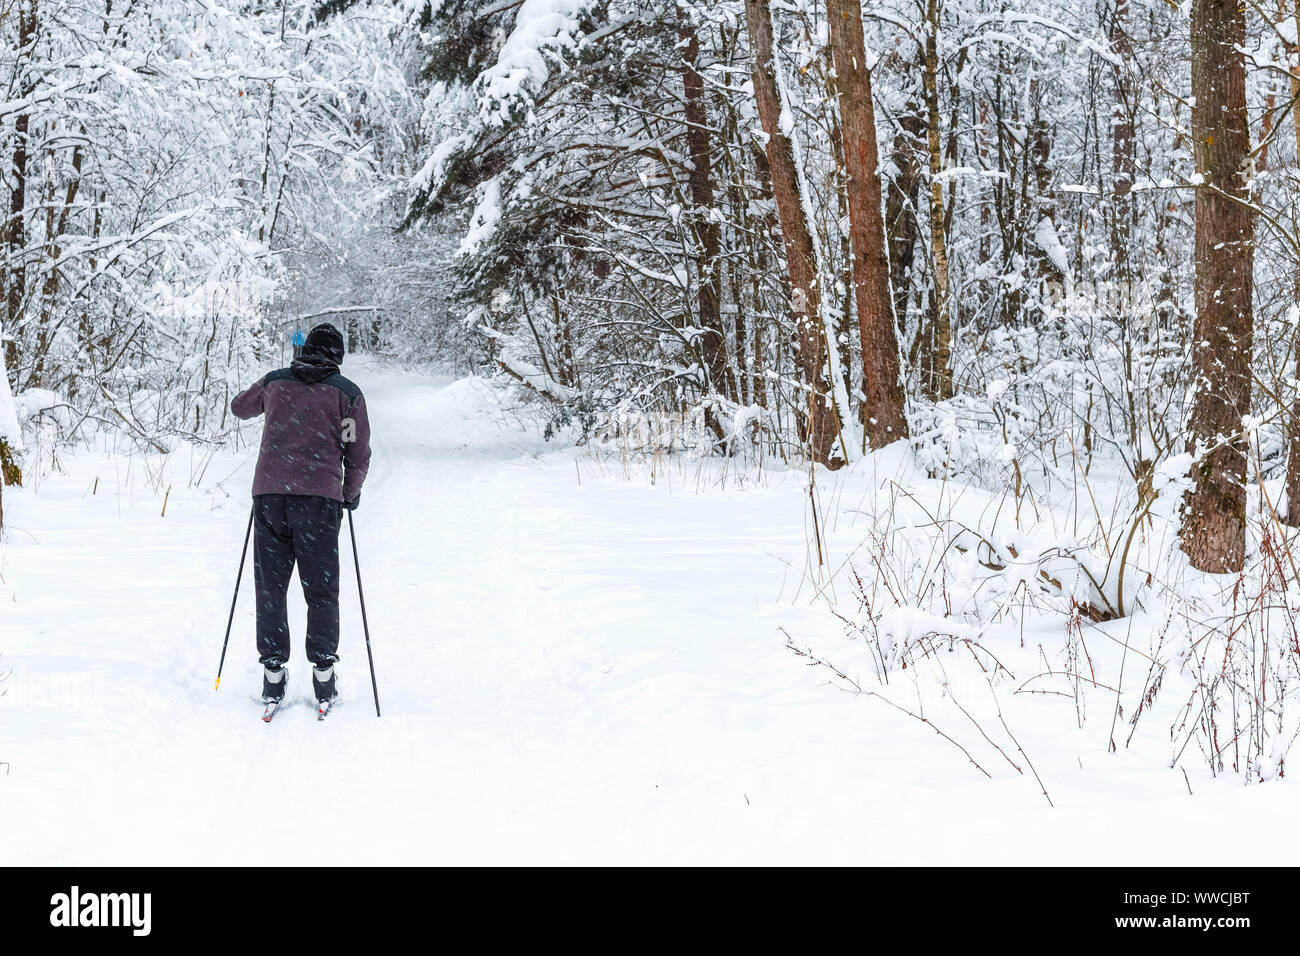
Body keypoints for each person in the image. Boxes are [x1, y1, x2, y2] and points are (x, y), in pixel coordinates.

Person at [231, 323, 371, 710]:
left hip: (271, 496)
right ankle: (324, 675)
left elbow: (240, 407)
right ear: (338, 359)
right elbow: (356, 452)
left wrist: (278, 388)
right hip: (320, 503)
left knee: (271, 587)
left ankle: (273, 674)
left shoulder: (276, 382)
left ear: (304, 349)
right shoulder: (347, 395)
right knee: (321, 590)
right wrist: (349, 494)